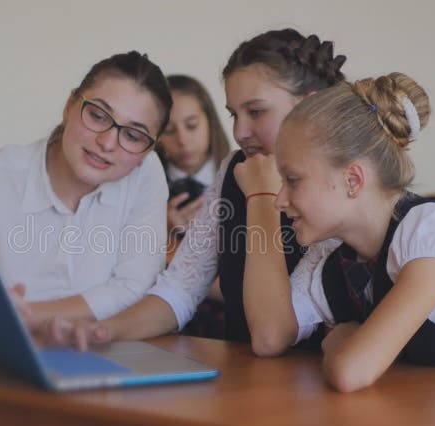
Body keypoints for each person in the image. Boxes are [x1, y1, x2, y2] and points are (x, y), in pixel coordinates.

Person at [40, 29, 347, 355]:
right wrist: (102, 331)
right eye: (234, 114)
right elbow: (180, 290)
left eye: (256, 112)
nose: (240, 132)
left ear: (310, 108)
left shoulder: (343, 193)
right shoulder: (235, 169)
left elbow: (271, 335)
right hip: (244, 379)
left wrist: (260, 198)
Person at [262, 72, 435, 393]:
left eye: (293, 180)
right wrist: (258, 203)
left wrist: (337, 338)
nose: (279, 200)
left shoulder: (434, 231)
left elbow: (351, 372)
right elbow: (268, 336)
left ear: (353, 180)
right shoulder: (332, 258)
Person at [0, 51, 172, 346]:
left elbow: (135, 285)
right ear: (70, 106)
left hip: (98, 359)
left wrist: (26, 318)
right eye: (97, 115)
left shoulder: (144, 173)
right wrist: (4, 331)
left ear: (148, 151)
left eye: (133, 136)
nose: (107, 143)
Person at [157, 74, 231, 338]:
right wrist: (164, 234)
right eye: (168, 130)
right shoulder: (145, 186)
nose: (182, 139)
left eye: (191, 125)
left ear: (210, 121)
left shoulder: (240, 177)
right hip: (164, 319)